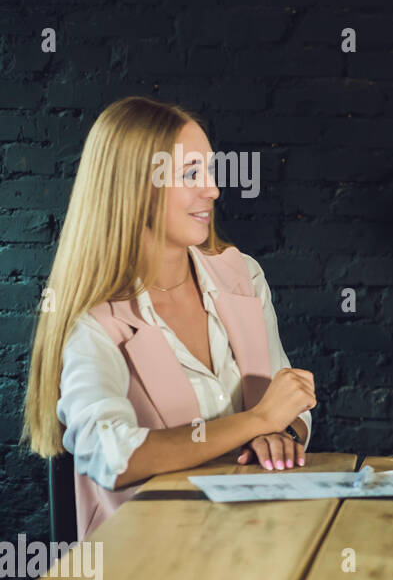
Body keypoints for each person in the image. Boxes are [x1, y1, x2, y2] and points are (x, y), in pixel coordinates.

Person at [22, 96, 317, 539]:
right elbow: (112, 456)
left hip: (253, 539)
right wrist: (257, 422)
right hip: (146, 565)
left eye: (211, 171)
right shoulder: (92, 319)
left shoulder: (243, 275)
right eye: (191, 174)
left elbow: (287, 405)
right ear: (135, 187)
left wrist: (281, 435)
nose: (214, 190)